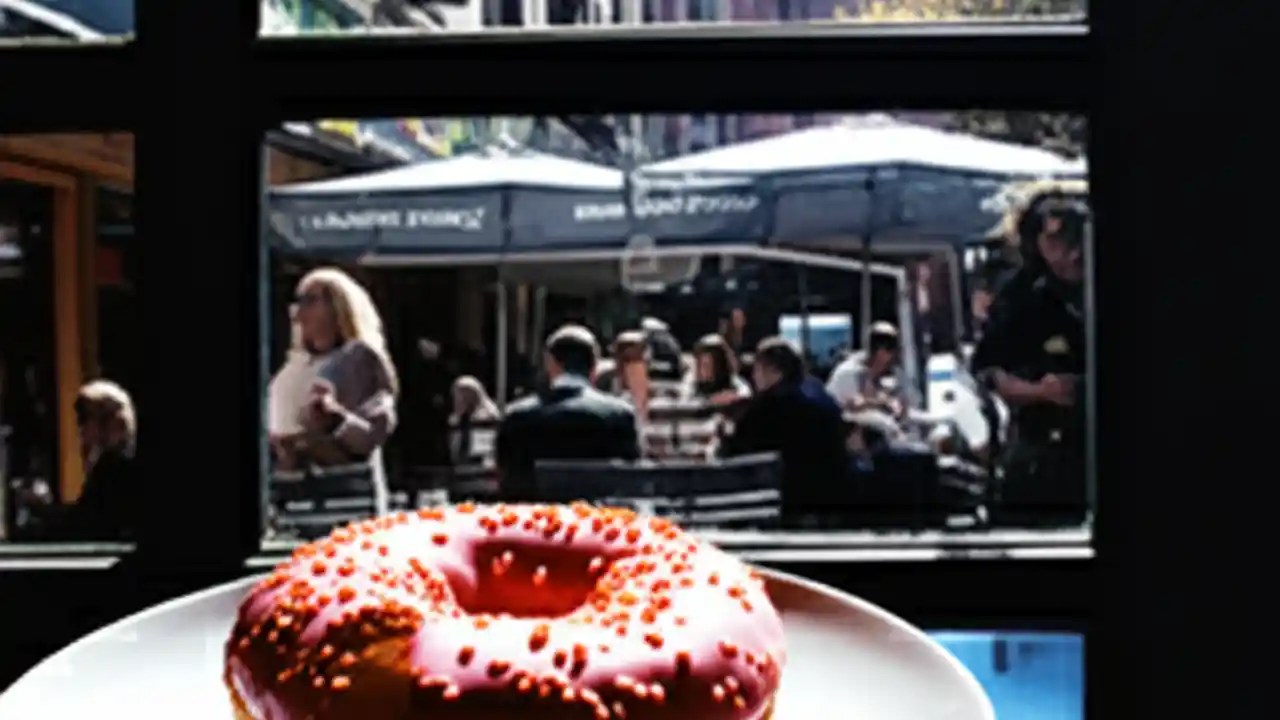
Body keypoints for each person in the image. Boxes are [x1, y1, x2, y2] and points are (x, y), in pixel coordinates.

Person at [971, 189, 1089, 526]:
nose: (1067, 248)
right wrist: (1039, 391)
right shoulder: (1022, 296)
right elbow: (988, 371)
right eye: (1052, 237)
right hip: (1043, 443)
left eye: (1070, 234)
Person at [273, 267, 399, 515]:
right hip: (290, 495)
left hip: (341, 499)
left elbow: (373, 431)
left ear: (339, 306)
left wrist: (335, 418)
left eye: (311, 301)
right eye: (297, 302)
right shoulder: (293, 366)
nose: (299, 312)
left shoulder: (358, 357)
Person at [495, 325, 642, 501]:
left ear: (550, 363)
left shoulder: (516, 417)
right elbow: (631, 478)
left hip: (536, 515)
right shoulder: (620, 416)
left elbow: (505, 479)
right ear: (594, 366)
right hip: (599, 516)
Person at [721, 337, 848, 524]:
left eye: (757, 369)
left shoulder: (769, 406)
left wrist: (724, 433)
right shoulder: (819, 392)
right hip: (832, 496)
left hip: (788, 501)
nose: (754, 376)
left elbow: (738, 449)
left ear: (772, 370)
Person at [23, 380, 138, 541]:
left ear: (109, 422)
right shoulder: (114, 464)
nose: (80, 429)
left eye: (83, 419)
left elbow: (85, 523)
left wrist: (42, 509)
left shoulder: (115, 470)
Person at [825, 321, 910, 420]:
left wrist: (894, 401)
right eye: (891, 350)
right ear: (880, 351)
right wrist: (884, 403)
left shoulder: (881, 372)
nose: (894, 357)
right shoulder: (849, 372)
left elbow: (877, 395)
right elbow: (855, 405)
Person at [679, 334, 752, 406]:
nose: (701, 369)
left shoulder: (732, 381)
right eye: (699, 364)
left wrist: (731, 398)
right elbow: (684, 399)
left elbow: (745, 394)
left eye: (706, 365)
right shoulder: (692, 379)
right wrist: (708, 401)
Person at [448, 376, 500, 466]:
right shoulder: (457, 417)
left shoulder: (489, 413)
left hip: (483, 462)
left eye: (464, 393)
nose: (460, 397)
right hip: (461, 463)